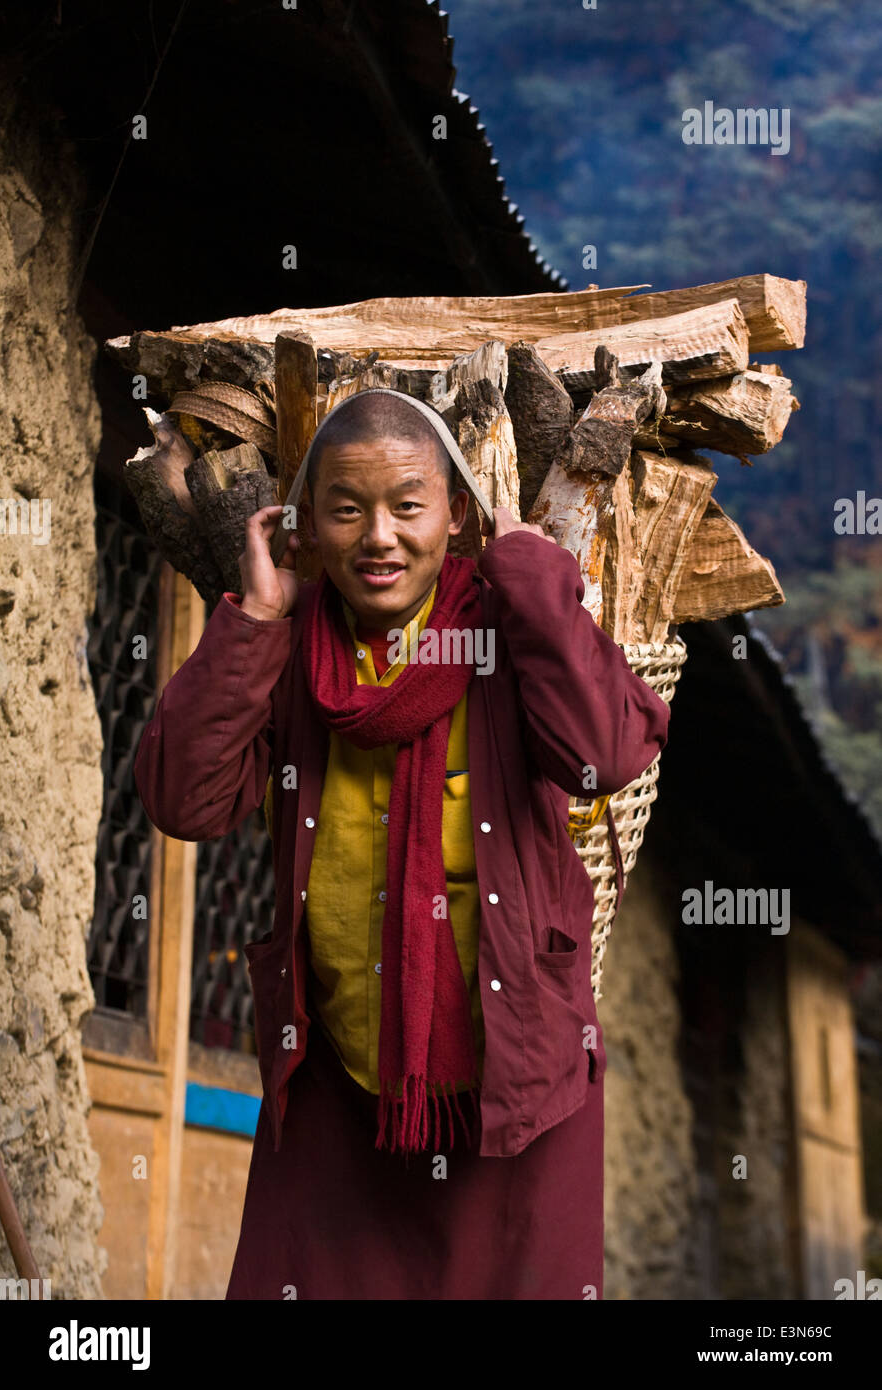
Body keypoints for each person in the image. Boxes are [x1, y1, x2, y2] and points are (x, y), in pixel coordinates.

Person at [134, 388, 670, 1300]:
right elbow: (185, 799)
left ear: (454, 514)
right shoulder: (294, 652)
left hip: (515, 1082)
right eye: (346, 509)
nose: (378, 536)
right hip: (339, 1086)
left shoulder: (504, 634)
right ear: (306, 527)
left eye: (406, 507)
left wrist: (537, 581)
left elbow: (607, 755)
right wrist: (256, 620)